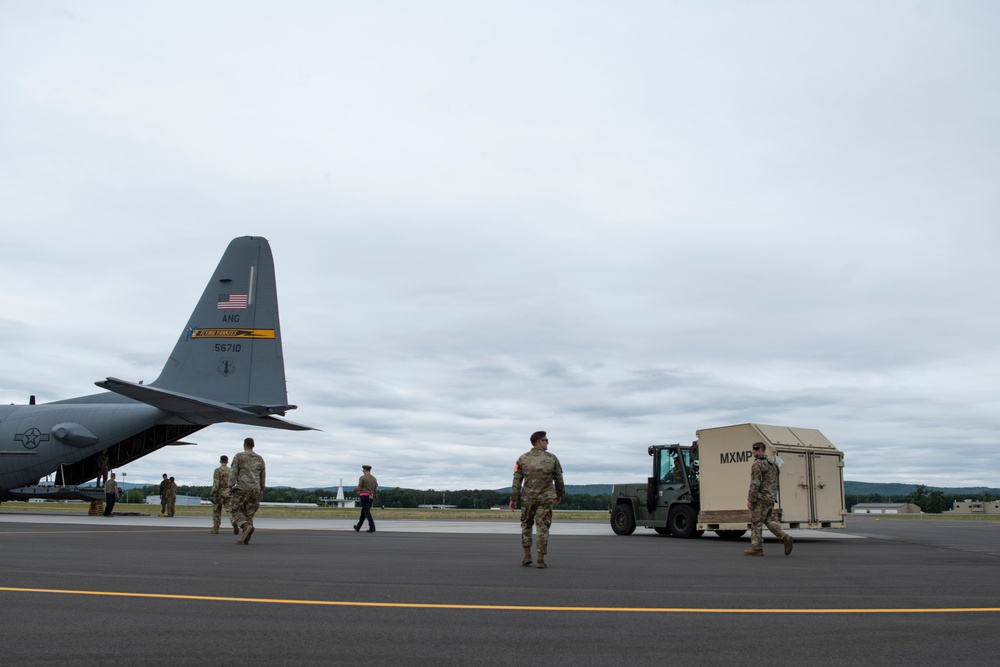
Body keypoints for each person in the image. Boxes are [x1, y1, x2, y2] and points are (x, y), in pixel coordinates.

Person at [509, 430, 565, 568]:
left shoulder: (522, 459)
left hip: (528, 498)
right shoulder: (552, 458)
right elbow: (559, 479)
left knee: (526, 525)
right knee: (543, 527)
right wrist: (559, 494)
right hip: (545, 498)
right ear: (539, 442)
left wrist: (513, 498)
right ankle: (540, 558)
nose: (547, 443)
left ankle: (527, 555)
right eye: (546, 440)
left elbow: (517, 480)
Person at [745, 441, 793, 557]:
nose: (753, 451)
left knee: (756, 523)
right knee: (769, 520)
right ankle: (784, 537)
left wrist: (750, 500)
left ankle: (757, 548)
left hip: (760, 498)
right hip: (770, 498)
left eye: (755, 449)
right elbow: (775, 482)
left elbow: (755, 483)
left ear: (761, 450)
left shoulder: (758, 464)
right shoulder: (772, 463)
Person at [229, 437, 266, 545]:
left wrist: (230, 486)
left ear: (244, 445)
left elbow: (234, 472)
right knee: (249, 513)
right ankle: (245, 537)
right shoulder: (260, 458)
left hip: (242, 488)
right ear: (253, 445)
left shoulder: (239, 456)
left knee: (235, 510)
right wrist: (261, 489)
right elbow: (262, 476)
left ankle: (245, 526)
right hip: (255, 489)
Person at [210, 454, 236, 534]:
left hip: (219, 493)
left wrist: (213, 493)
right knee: (229, 510)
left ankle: (216, 528)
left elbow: (216, 483)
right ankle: (233, 521)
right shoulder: (231, 471)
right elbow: (233, 482)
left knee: (217, 511)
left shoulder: (218, 470)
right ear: (227, 461)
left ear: (220, 461)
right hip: (228, 492)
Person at [354, 465, 378, 533]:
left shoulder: (362, 478)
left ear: (365, 470)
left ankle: (372, 527)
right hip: (370, 497)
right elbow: (375, 490)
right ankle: (358, 527)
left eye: (363, 470)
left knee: (367, 512)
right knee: (364, 513)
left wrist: (355, 489)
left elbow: (359, 487)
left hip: (364, 496)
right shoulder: (374, 479)